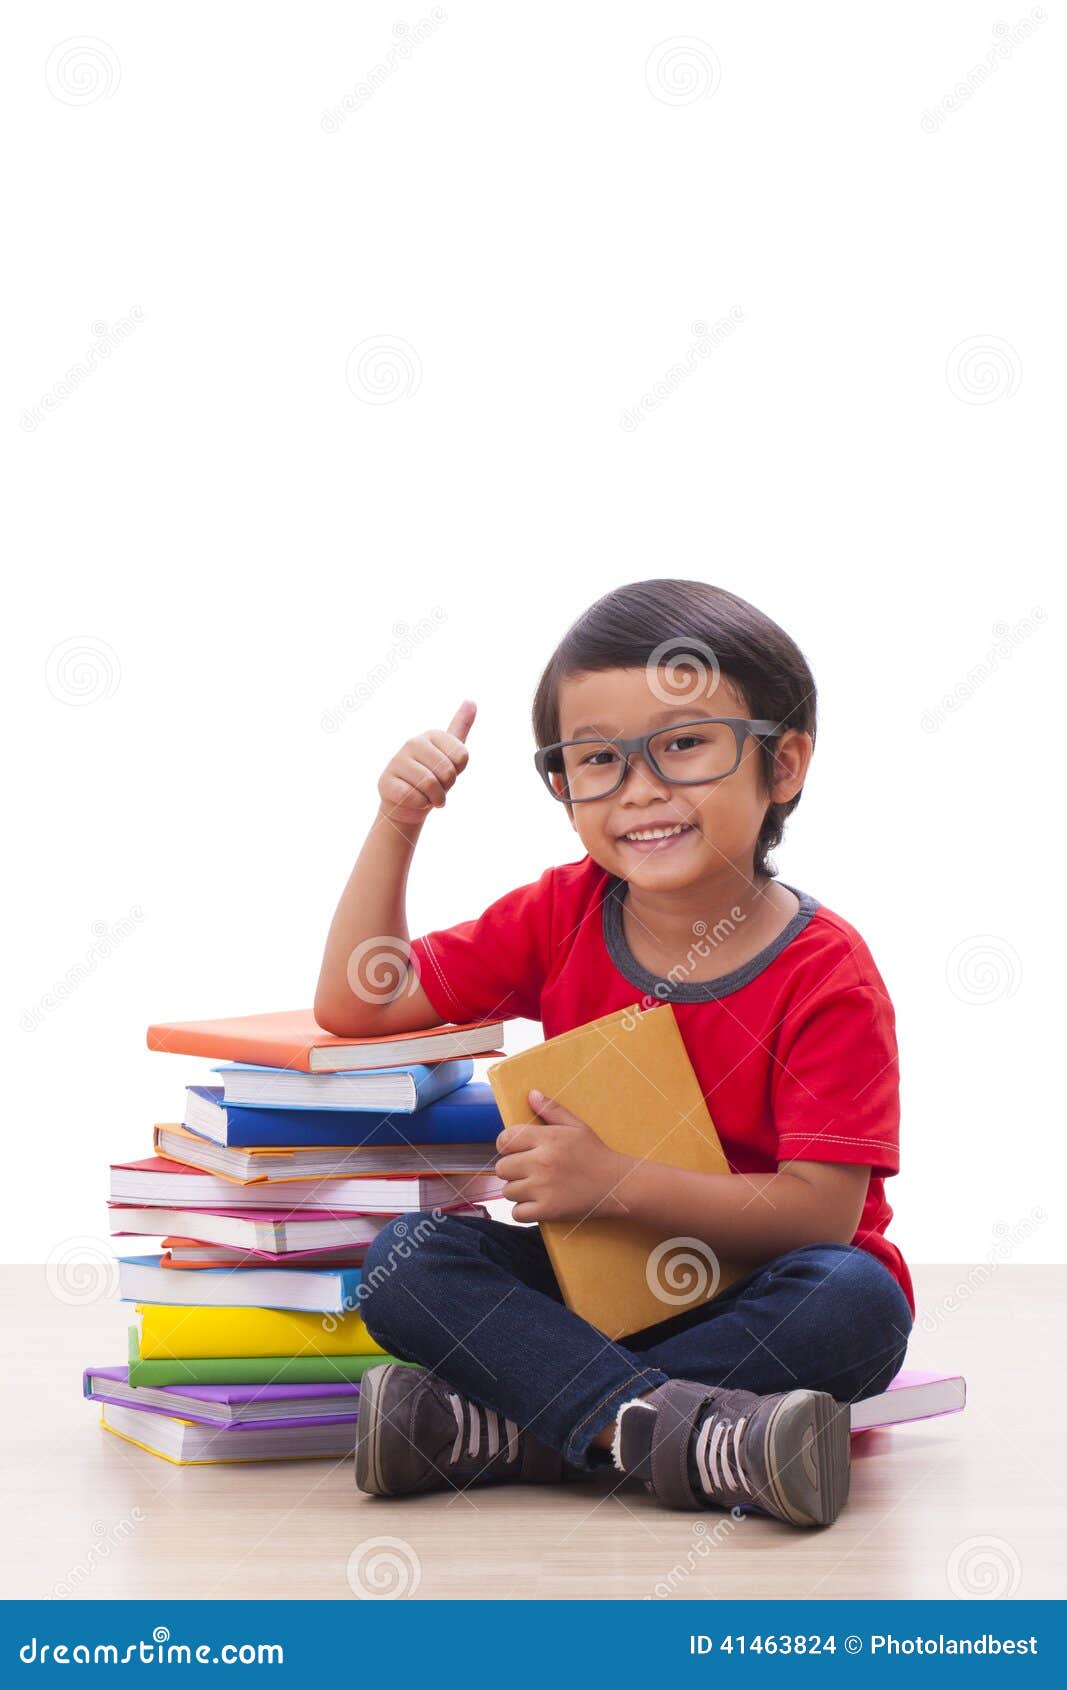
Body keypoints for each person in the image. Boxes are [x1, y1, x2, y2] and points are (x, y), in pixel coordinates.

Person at [314, 579, 914, 1527]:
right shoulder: (563, 911)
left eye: (682, 745)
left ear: (782, 763)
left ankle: (523, 1427)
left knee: (857, 1302)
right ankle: (679, 1435)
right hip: (590, 1282)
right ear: (561, 786)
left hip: (763, 1292)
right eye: (596, 760)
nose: (639, 789)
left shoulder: (826, 972)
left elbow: (819, 1218)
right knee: (404, 1258)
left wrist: (614, 1182)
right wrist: (399, 822)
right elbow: (360, 999)